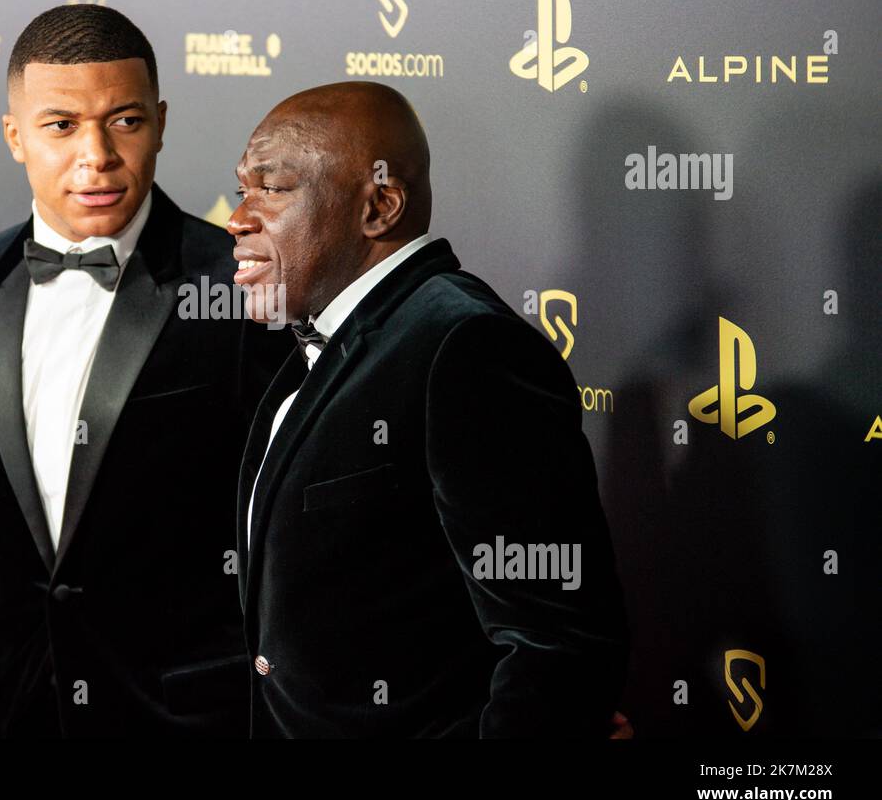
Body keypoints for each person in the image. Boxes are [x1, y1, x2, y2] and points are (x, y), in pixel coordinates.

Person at [0, 4, 289, 738]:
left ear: (160, 122)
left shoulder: (246, 287)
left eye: (125, 121)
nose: (97, 155)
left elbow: (295, 560)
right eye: (61, 125)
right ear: (14, 136)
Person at [226, 81, 631, 737]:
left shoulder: (465, 348)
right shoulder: (327, 335)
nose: (238, 217)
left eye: (271, 188)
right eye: (243, 187)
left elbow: (555, 645)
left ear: (380, 206)